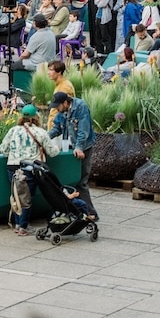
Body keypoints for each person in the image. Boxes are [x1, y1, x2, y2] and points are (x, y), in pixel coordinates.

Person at [2, 104, 61, 235]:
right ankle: (23, 226)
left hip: (12, 166)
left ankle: (18, 223)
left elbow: (3, 149)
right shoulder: (40, 132)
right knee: (26, 198)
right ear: (36, 117)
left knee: (16, 196)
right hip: (29, 168)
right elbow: (53, 152)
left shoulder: (13, 130)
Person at [48, 91, 99, 221]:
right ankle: (77, 211)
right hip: (69, 147)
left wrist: (79, 147)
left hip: (83, 147)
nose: (57, 109)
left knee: (81, 181)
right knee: (70, 180)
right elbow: (57, 128)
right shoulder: (61, 112)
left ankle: (90, 213)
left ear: (66, 102)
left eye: (58, 106)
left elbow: (83, 130)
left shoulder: (80, 107)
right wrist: (44, 138)